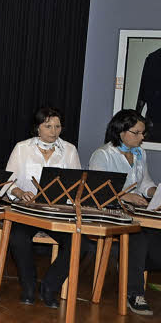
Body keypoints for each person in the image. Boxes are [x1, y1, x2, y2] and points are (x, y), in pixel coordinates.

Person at [3, 107, 81, 308]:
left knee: (81, 243)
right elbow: (7, 182)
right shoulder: (22, 148)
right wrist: (20, 193)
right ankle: (28, 287)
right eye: (48, 126)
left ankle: (50, 286)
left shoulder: (70, 150)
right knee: (18, 238)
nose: (53, 131)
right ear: (37, 128)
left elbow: (77, 187)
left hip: (58, 214)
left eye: (57, 126)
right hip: (27, 211)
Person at [88, 109, 158, 316]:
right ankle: (134, 293)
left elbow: (145, 183)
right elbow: (98, 190)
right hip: (111, 210)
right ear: (121, 131)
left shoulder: (140, 154)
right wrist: (125, 197)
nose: (141, 137)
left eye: (142, 133)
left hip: (135, 209)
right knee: (138, 236)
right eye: (136, 133)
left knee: (153, 236)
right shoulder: (102, 155)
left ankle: (128, 265)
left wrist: (155, 193)